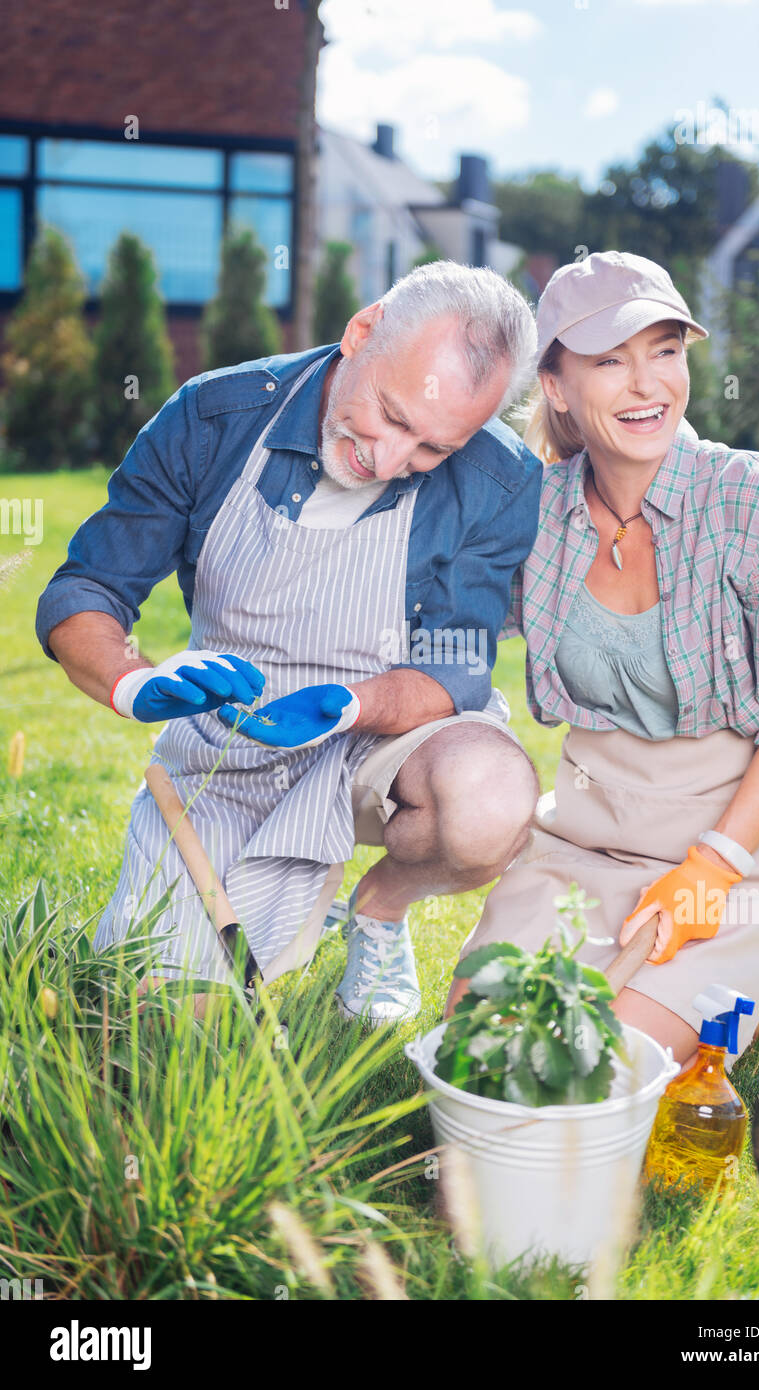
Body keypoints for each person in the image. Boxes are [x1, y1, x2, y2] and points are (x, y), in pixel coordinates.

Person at [36, 261, 544, 1024]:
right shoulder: (213, 417)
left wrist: (350, 704)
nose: (393, 460)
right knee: (163, 1018)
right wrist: (134, 681)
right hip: (224, 740)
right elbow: (84, 591)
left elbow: (457, 664)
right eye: (392, 416)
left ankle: (377, 912)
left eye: (433, 448)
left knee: (490, 798)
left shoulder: (499, 480)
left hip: (375, 738)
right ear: (362, 332)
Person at [446, 251, 759, 1064]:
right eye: (609, 361)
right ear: (557, 387)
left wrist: (715, 863)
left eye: (664, 352)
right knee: (486, 1049)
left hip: (740, 856)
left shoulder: (756, 501)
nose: (647, 385)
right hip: (587, 840)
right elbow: (442, 620)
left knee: (606, 1068)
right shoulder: (537, 515)